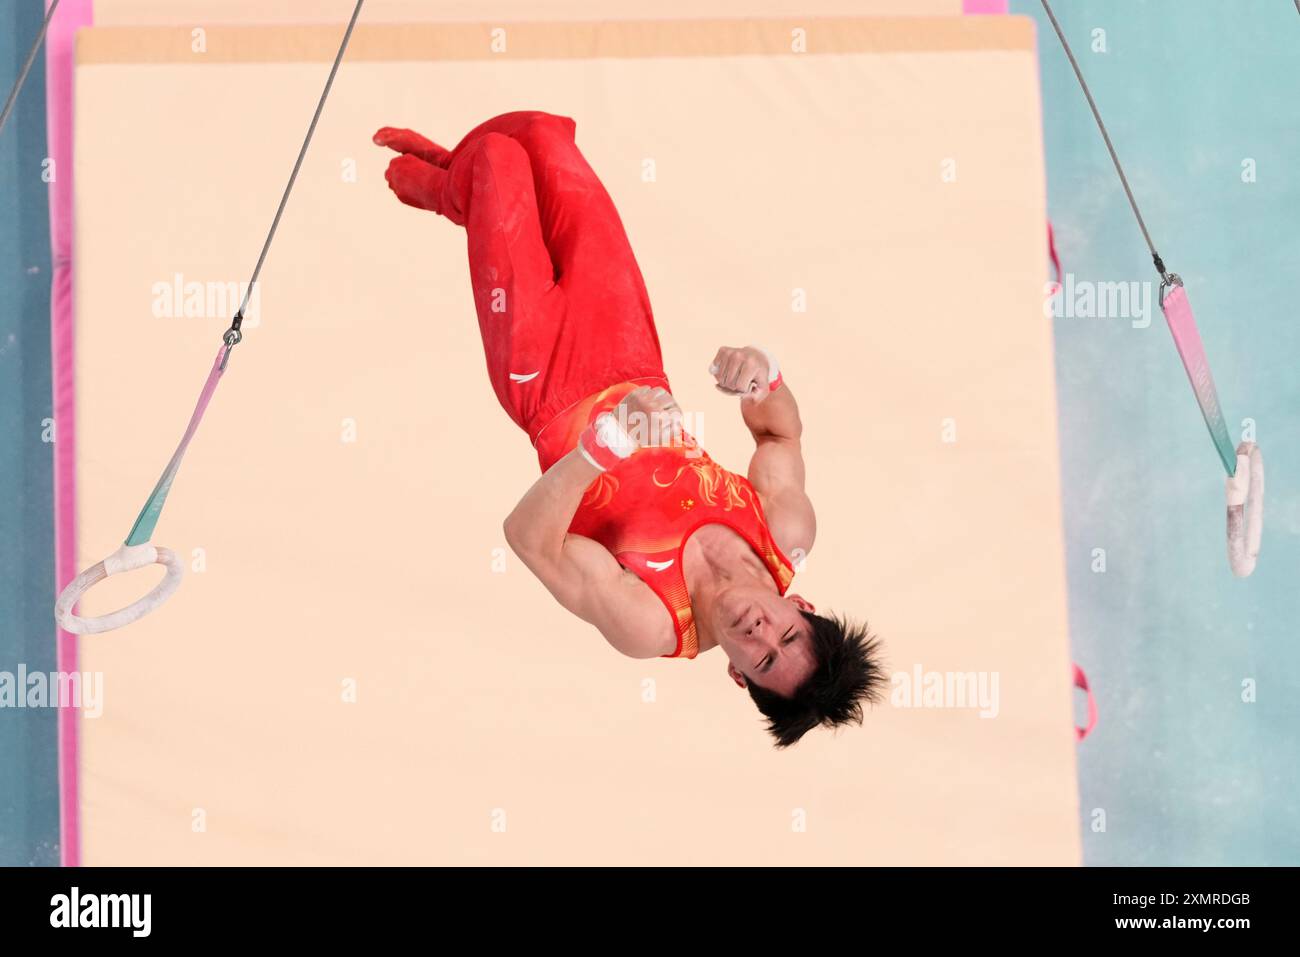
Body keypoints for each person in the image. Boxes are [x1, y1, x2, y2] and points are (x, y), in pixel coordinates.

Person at [374, 111, 883, 746]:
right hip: (632, 352)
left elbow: (530, 541)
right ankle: (464, 188)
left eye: (763, 662)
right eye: (787, 635)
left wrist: (606, 444)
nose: (760, 632)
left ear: (736, 675)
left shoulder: (650, 622)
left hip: (543, 382)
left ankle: (456, 188)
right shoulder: (786, 533)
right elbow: (779, 437)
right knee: (541, 140)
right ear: (802, 610)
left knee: (498, 166)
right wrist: (765, 379)